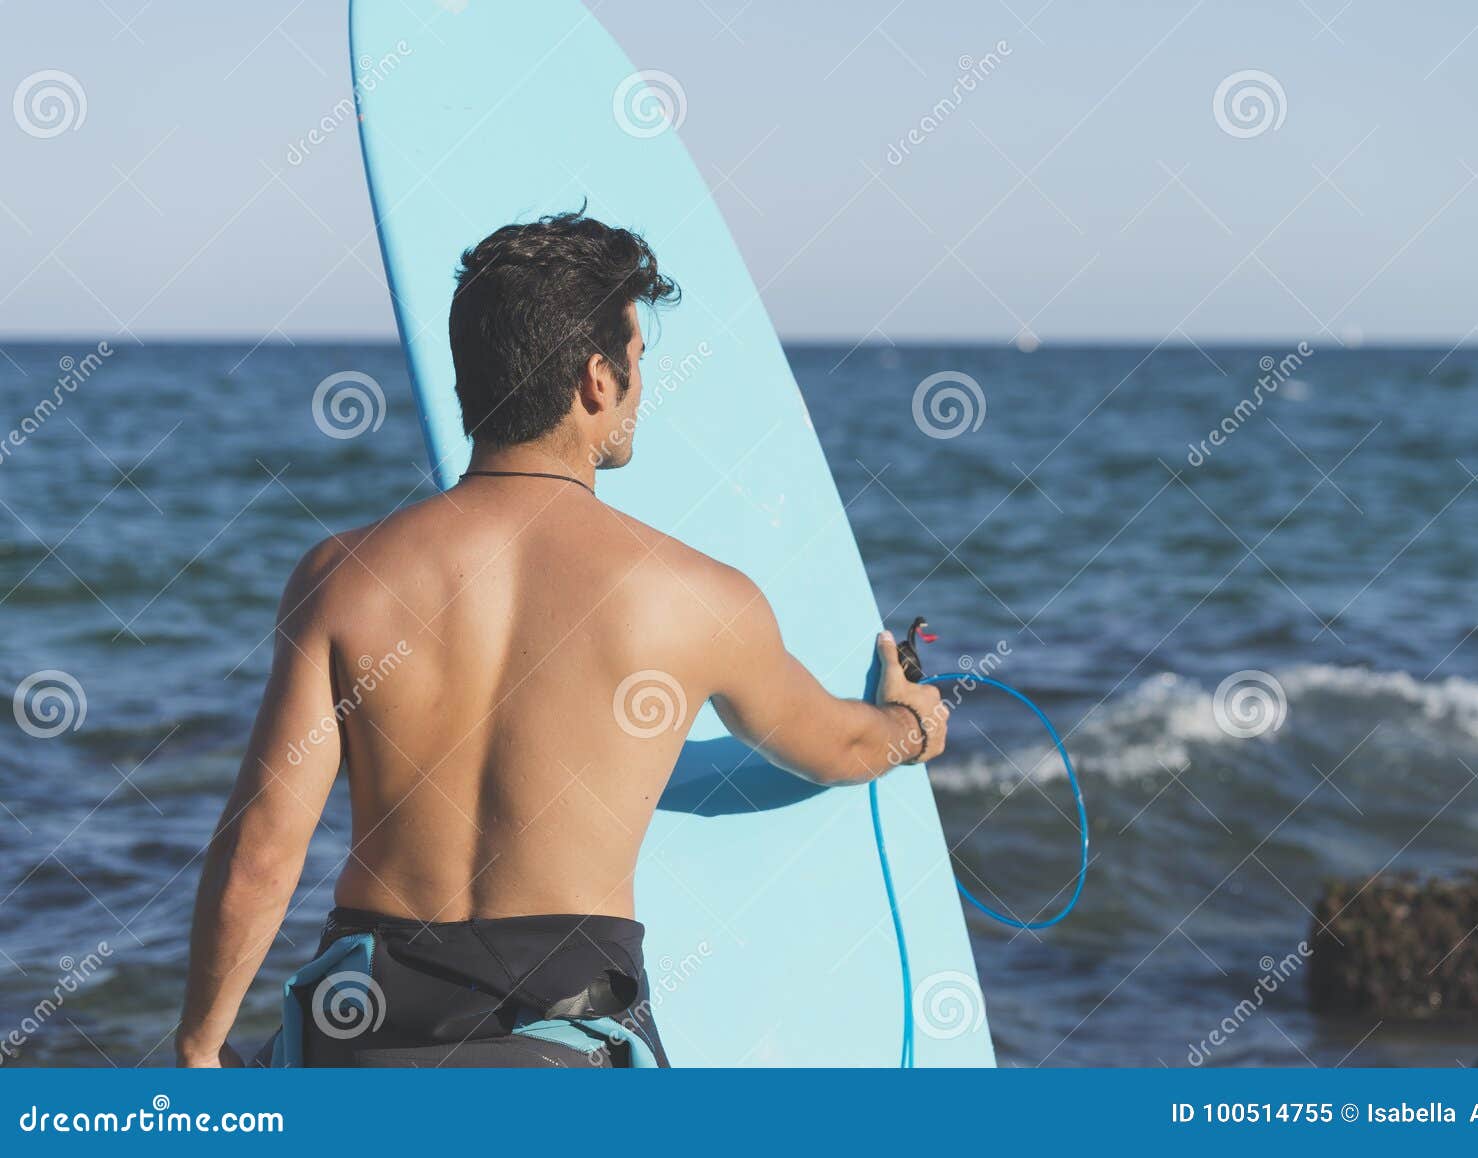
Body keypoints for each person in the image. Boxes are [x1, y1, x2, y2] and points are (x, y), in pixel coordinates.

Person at [177, 212, 950, 1068]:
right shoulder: (697, 597)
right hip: (565, 1048)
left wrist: (200, 1050)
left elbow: (262, 852)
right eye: (638, 362)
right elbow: (836, 744)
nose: (639, 388)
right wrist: (912, 727)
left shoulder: (343, 576)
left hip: (359, 1031)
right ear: (595, 381)